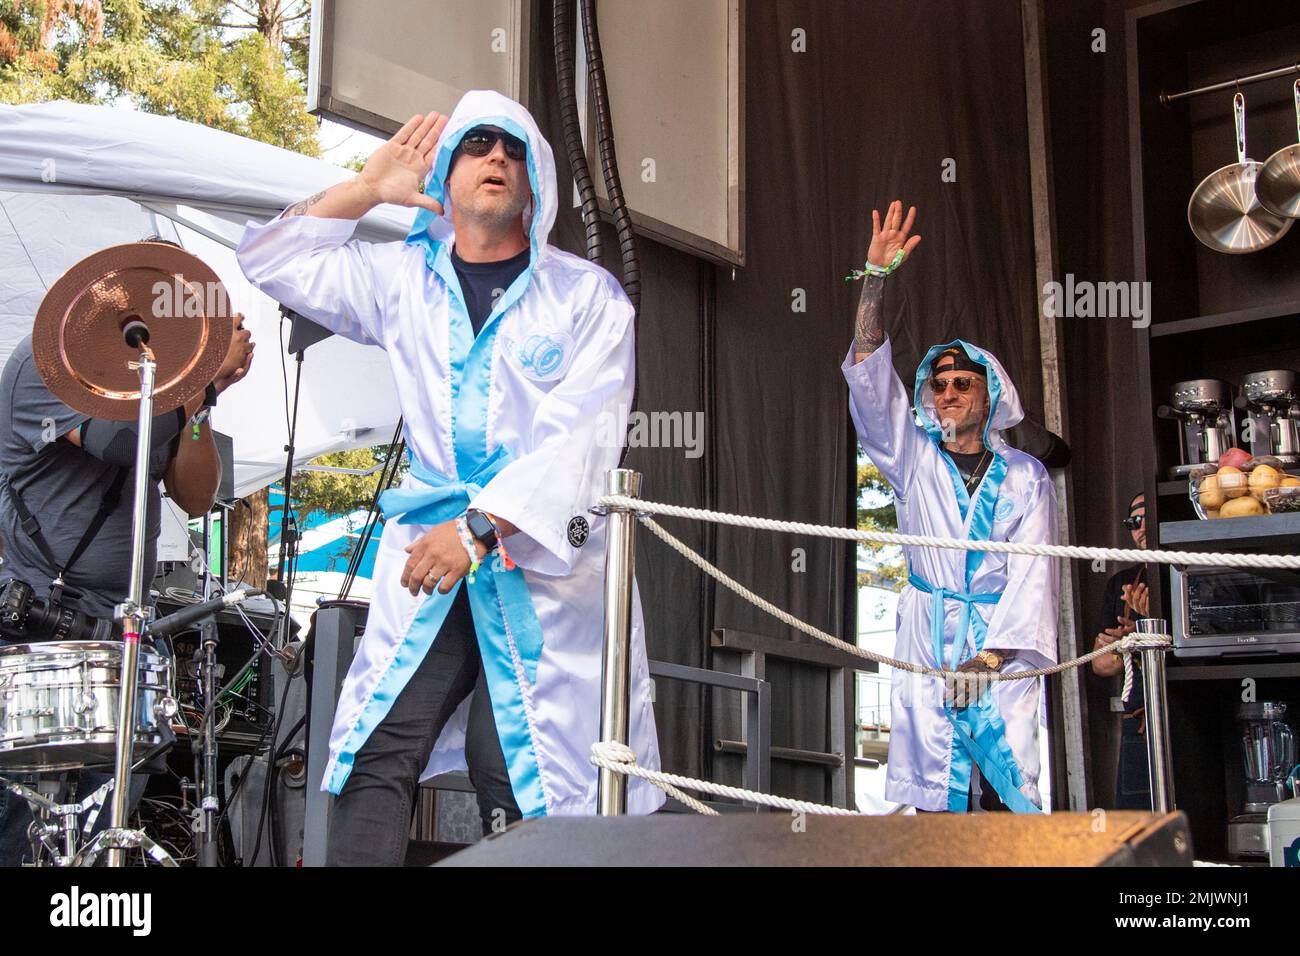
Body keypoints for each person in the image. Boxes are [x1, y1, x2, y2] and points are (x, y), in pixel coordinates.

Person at [236, 90, 662, 866]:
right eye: (476, 145)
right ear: (448, 176)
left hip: (538, 569)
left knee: (522, 771)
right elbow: (270, 256)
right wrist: (365, 189)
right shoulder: (402, 278)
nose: (495, 157)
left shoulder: (586, 298)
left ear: (536, 185)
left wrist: (479, 527)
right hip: (432, 558)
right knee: (374, 751)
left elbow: (585, 441)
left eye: (512, 148)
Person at [0, 245, 254, 865]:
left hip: (116, 633)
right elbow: (117, 440)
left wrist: (200, 397)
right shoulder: (51, 360)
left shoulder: (166, 389)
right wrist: (201, 378)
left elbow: (196, 495)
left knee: (97, 830)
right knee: (21, 825)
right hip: (36, 630)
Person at [842, 200, 1059, 813]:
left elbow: (1034, 574)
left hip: (1000, 649)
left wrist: (989, 660)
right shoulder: (911, 457)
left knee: (1008, 791)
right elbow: (868, 378)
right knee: (936, 794)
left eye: (963, 382)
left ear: (991, 395)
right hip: (925, 638)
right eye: (938, 384)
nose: (948, 392)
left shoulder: (1027, 477)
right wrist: (876, 279)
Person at [1089, 491, 1151, 809]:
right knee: (1137, 825)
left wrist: (1148, 626)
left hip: (1188, 705)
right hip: (1140, 717)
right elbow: (1101, 666)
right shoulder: (1123, 582)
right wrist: (1122, 646)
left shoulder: (1195, 565)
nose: (1140, 527)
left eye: (1146, 517)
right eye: (1133, 521)